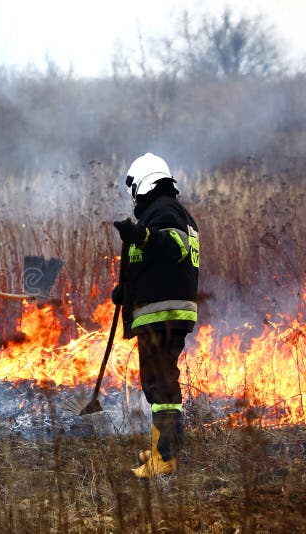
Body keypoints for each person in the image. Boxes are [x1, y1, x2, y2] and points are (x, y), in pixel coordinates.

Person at [111, 153, 200, 478]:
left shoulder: (163, 211)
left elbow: (171, 246)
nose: (133, 197)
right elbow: (154, 260)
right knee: (158, 381)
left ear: (144, 184)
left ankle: (165, 459)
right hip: (163, 308)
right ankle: (162, 447)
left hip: (162, 312)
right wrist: (126, 289)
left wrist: (142, 235)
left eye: (134, 188)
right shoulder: (169, 211)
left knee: (161, 384)